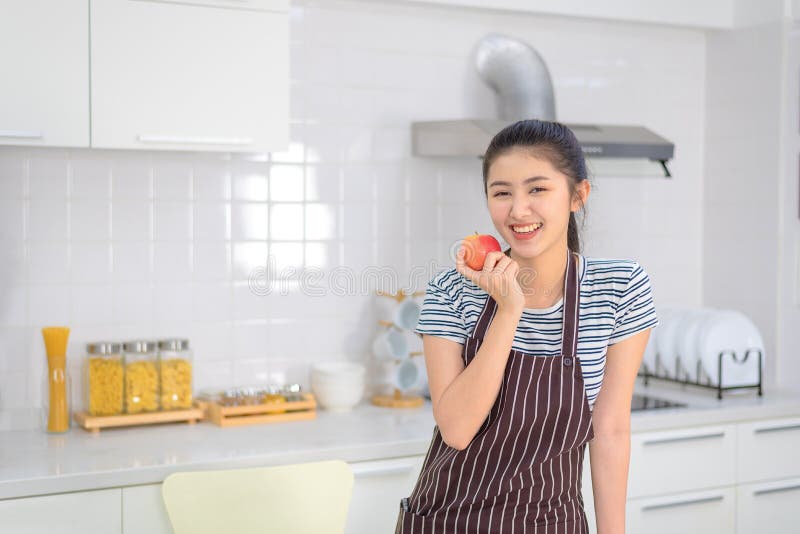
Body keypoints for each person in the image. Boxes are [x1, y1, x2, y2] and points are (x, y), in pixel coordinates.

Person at [396, 119, 659, 533]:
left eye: (538, 189)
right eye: (502, 193)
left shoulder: (619, 289)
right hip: (451, 523)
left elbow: (609, 431)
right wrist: (508, 309)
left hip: (553, 524)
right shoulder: (451, 290)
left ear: (578, 195)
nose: (518, 210)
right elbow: (457, 429)